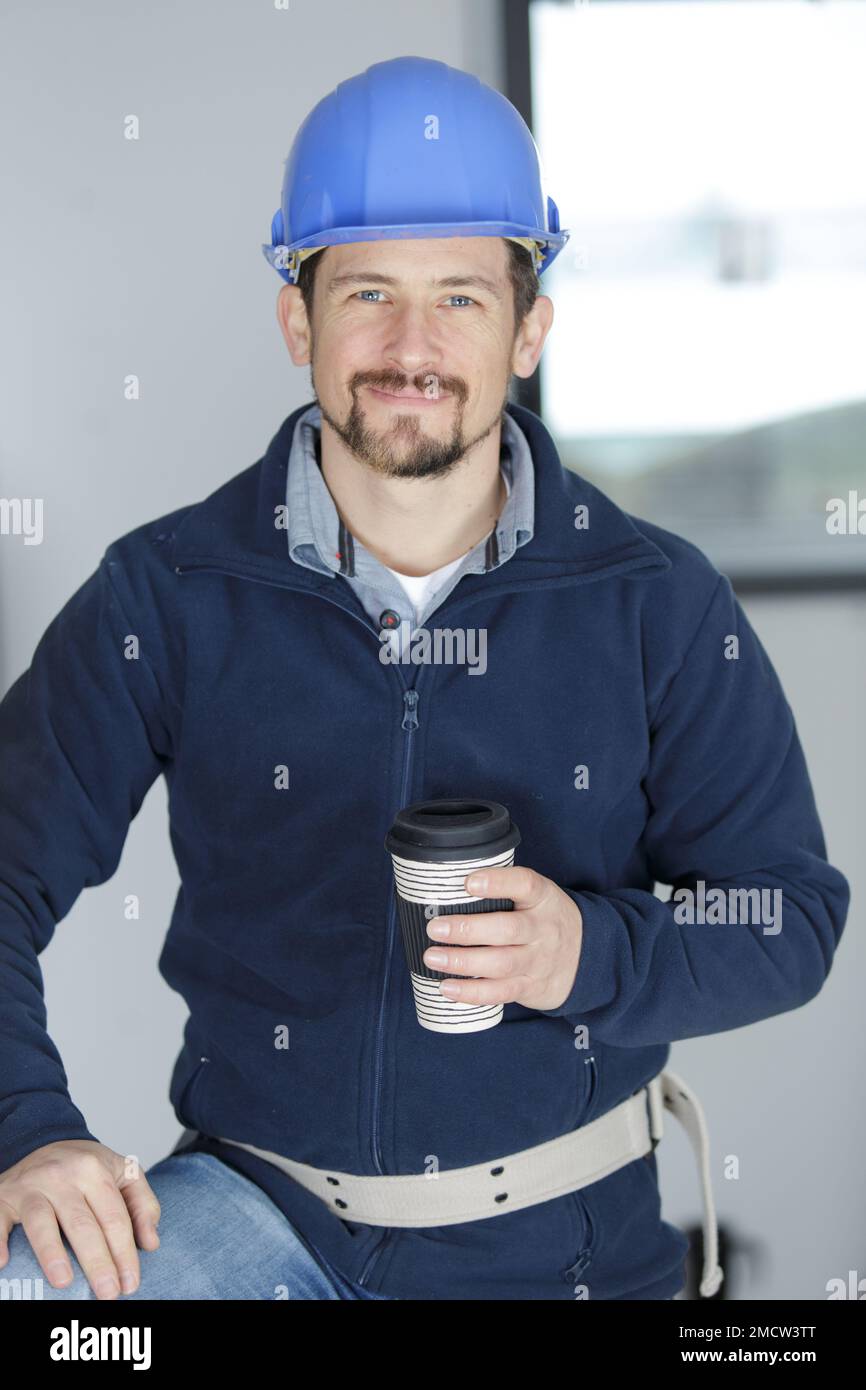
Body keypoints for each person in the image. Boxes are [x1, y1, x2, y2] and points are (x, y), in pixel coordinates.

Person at [0, 56, 849, 1303]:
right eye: (367, 295)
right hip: (252, 1221)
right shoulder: (168, 596)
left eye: (458, 297)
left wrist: (588, 953)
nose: (411, 348)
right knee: (39, 1302)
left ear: (529, 325)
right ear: (298, 320)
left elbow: (785, 915)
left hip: (561, 1247)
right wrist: (28, 1127)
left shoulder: (651, 600)